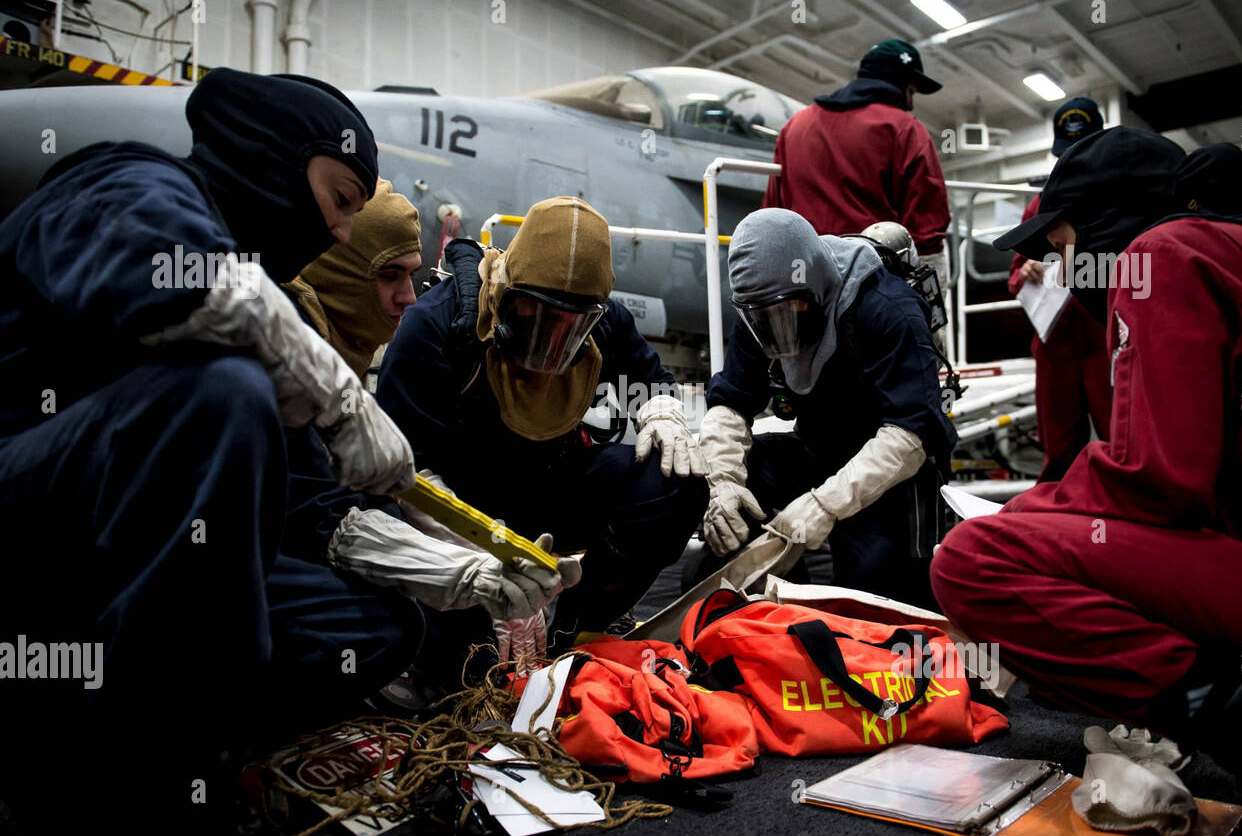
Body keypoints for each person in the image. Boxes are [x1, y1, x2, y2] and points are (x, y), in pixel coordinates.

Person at [0, 68, 416, 831]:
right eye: (340, 198)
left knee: (377, 621)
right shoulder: (123, 178)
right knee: (220, 391)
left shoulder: (267, 308)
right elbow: (164, 273)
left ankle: (169, 721)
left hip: (141, 567)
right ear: (274, 155)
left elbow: (298, 498)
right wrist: (341, 392)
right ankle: (128, 793)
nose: (342, 232)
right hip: (31, 524)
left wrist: (437, 563)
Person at [932, 127, 1242, 789]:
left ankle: (1199, 706)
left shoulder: (1156, 255)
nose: (1059, 267)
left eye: (1063, 243)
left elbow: (1164, 481)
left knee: (972, 557)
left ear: (1104, 219)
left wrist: (1039, 506)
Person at [376, 196, 708, 647]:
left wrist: (664, 415)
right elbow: (407, 478)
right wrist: (490, 568)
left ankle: (575, 629)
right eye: (539, 317)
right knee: (460, 662)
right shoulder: (437, 327)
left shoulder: (604, 326)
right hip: (456, 512)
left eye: (569, 327)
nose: (552, 345)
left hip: (548, 493)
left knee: (674, 481)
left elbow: (653, 384)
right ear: (506, 294)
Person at [278, 179, 580, 674]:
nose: (405, 297)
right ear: (342, 274)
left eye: (411, 276)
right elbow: (322, 511)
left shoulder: (335, 346)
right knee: (390, 627)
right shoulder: (289, 359)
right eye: (388, 276)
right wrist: (465, 573)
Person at [698, 208, 956, 608]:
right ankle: (776, 598)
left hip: (896, 474)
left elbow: (913, 432)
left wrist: (825, 505)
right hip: (819, 448)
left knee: (874, 600)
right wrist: (723, 485)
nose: (778, 327)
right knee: (729, 502)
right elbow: (730, 403)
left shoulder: (887, 308)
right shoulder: (760, 310)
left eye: (789, 312)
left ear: (817, 286)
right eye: (764, 317)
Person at [762, 39, 951, 299]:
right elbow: (927, 225)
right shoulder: (904, 128)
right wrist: (932, 298)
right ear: (904, 86)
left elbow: (771, 215)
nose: (911, 104)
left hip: (805, 288)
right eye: (913, 92)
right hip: (873, 287)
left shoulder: (795, 126)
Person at [1006, 96, 1110, 481]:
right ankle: (1058, 524)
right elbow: (1015, 271)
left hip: (1105, 337)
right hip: (1053, 340)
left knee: (1120, 436)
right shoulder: (1040, 203)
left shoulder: (1118, 198)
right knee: (1059, 449)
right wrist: (1028, 269)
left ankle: (1128, 521)